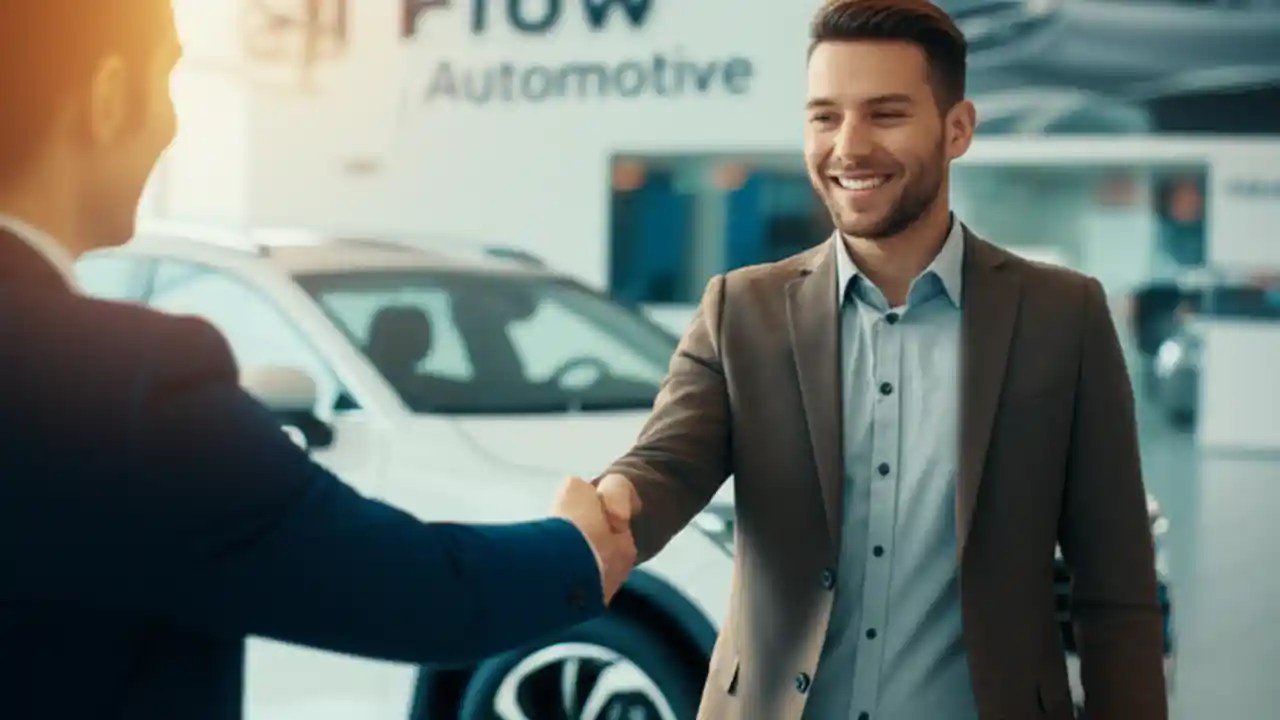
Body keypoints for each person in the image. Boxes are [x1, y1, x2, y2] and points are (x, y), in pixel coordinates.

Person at [0, 2, 635, 718]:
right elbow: (412, 593)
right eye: (168, 81)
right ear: (110, 98)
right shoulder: (126, 385)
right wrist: (578, 551)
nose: (173, 128)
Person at [592, 1, 1167, 718]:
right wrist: (615, 505)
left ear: (957, 130)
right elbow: (667, 464)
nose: (848, 147)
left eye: (885, 114)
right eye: (824, 116)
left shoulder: (1062, 317)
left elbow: (1116, 589)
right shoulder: (741, 310)